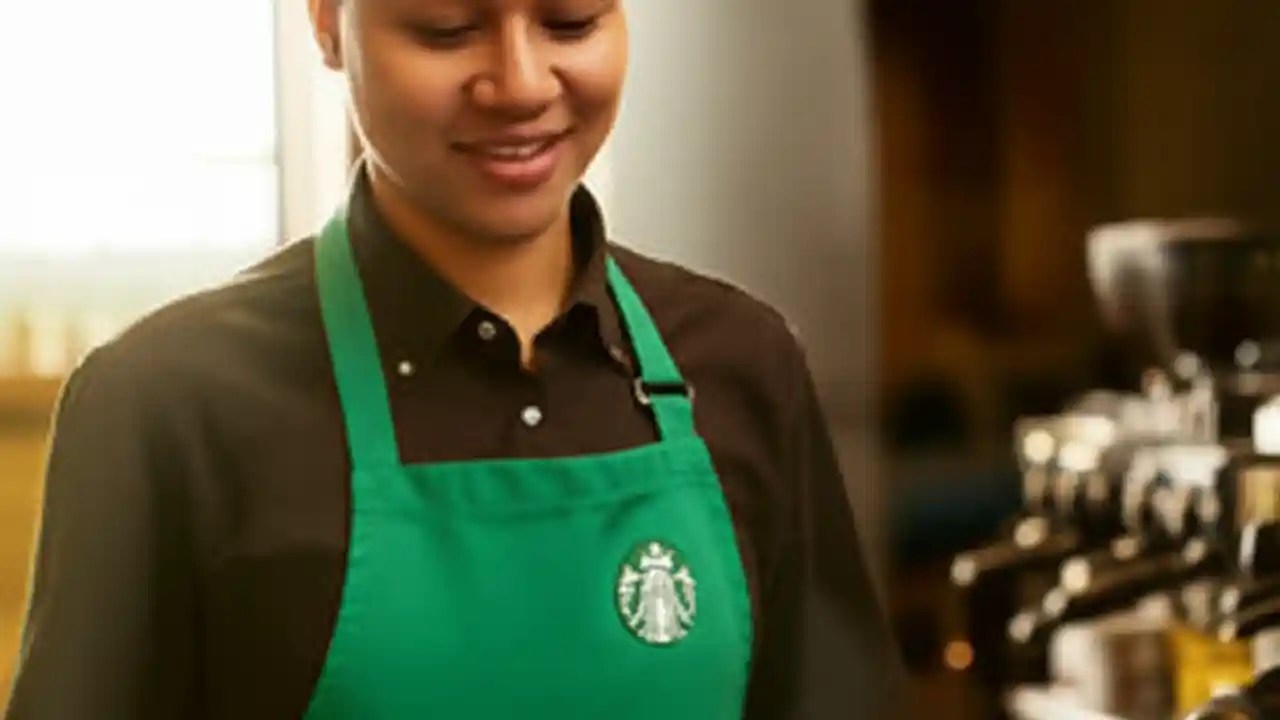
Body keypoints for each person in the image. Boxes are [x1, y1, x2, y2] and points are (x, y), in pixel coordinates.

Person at [4, 0, 907, 717]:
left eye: (570, 22)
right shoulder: (166, 407)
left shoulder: (745, 365)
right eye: (447, 29)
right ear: (326, 22)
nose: (519, 83)